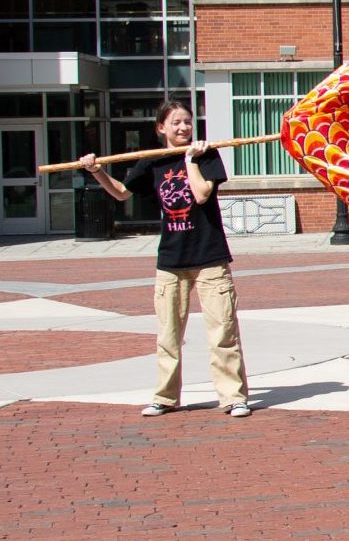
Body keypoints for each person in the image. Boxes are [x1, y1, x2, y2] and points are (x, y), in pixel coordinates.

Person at [79, 100, 252, 418]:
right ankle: (166, 397)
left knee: (223, 332)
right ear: (161, 128)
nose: (184, 127)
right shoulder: (151, 162)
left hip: (209, 257)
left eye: (188, 122)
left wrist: (191, 161)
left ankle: (233, 397)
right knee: (168, 336)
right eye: (176, 123)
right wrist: (96, 170)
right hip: (171, 261)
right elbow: (120, 192)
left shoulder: (207, 155)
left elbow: (201, 195)